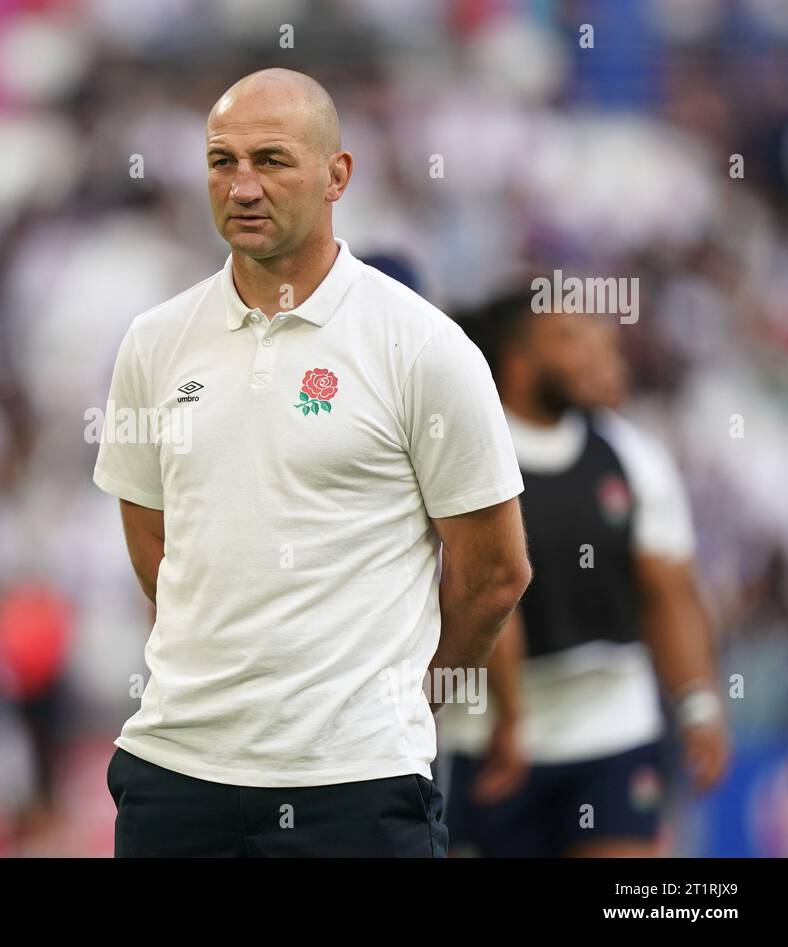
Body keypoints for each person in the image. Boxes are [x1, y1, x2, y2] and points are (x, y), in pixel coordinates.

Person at [92, 68, 531, 857]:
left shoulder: (423, 347)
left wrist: (402, 697)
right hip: (176, 771)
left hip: (357, 782)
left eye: (271, 159)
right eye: (222, 162)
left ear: (338, 175)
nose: (243, 185)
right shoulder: (154, 342)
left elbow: (495, 569)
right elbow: (154, 543)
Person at [438, 290, 731, 857]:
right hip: (488, 738)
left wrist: (698, 703)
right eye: (572, 338)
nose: (601, 348)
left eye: (599, 334)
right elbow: (482, 596)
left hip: (612, 728)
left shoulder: (633, 455)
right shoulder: (468, 453)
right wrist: (509, 716)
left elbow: (669, 594)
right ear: (518, 362)